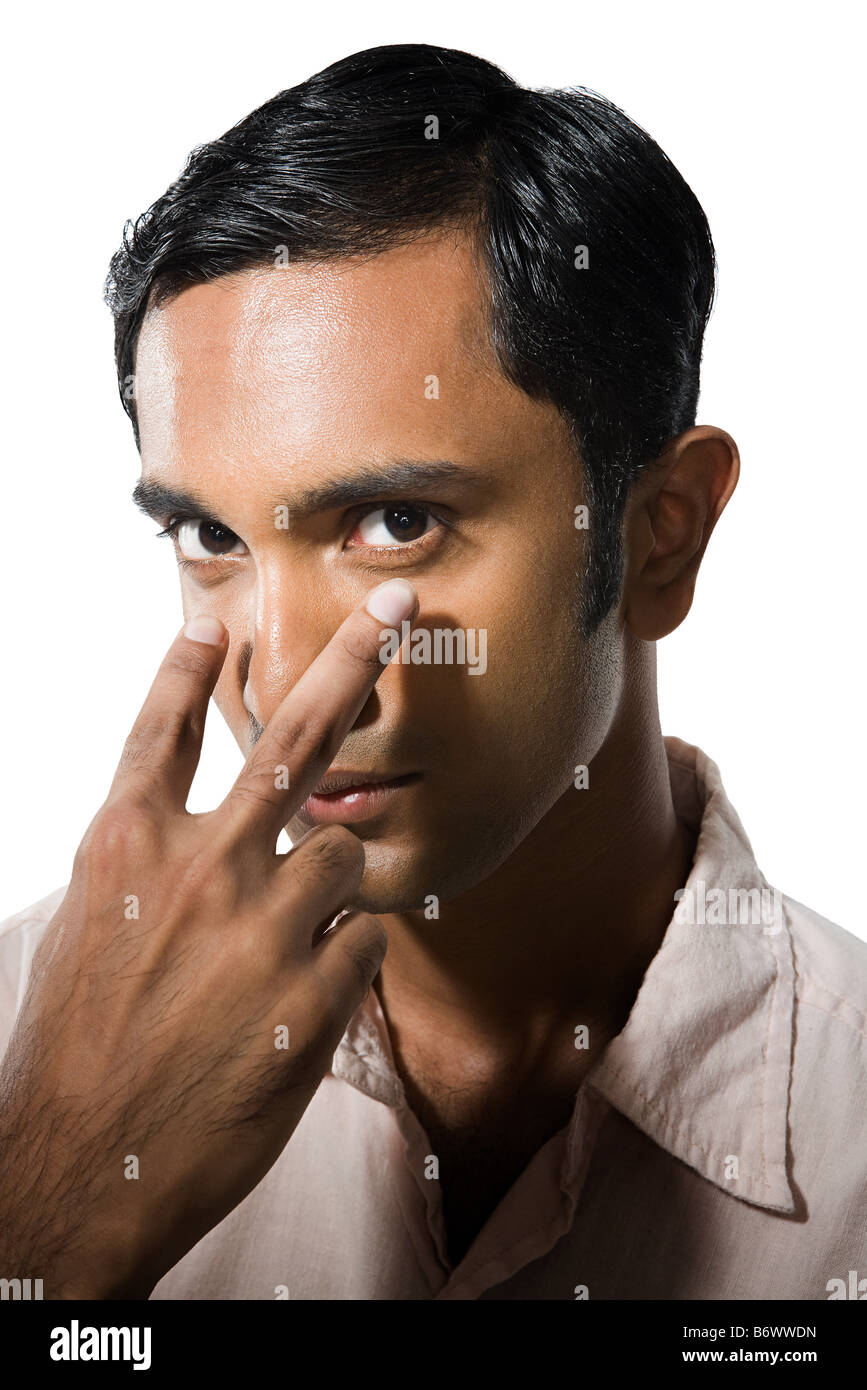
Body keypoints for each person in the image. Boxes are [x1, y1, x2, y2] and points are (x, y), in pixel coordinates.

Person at [0, 43, 864, 1301]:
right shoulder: (28, 1054)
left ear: (660, 534)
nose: (290, 686)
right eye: (211, 537)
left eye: (396, 521)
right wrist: (53, 1212)